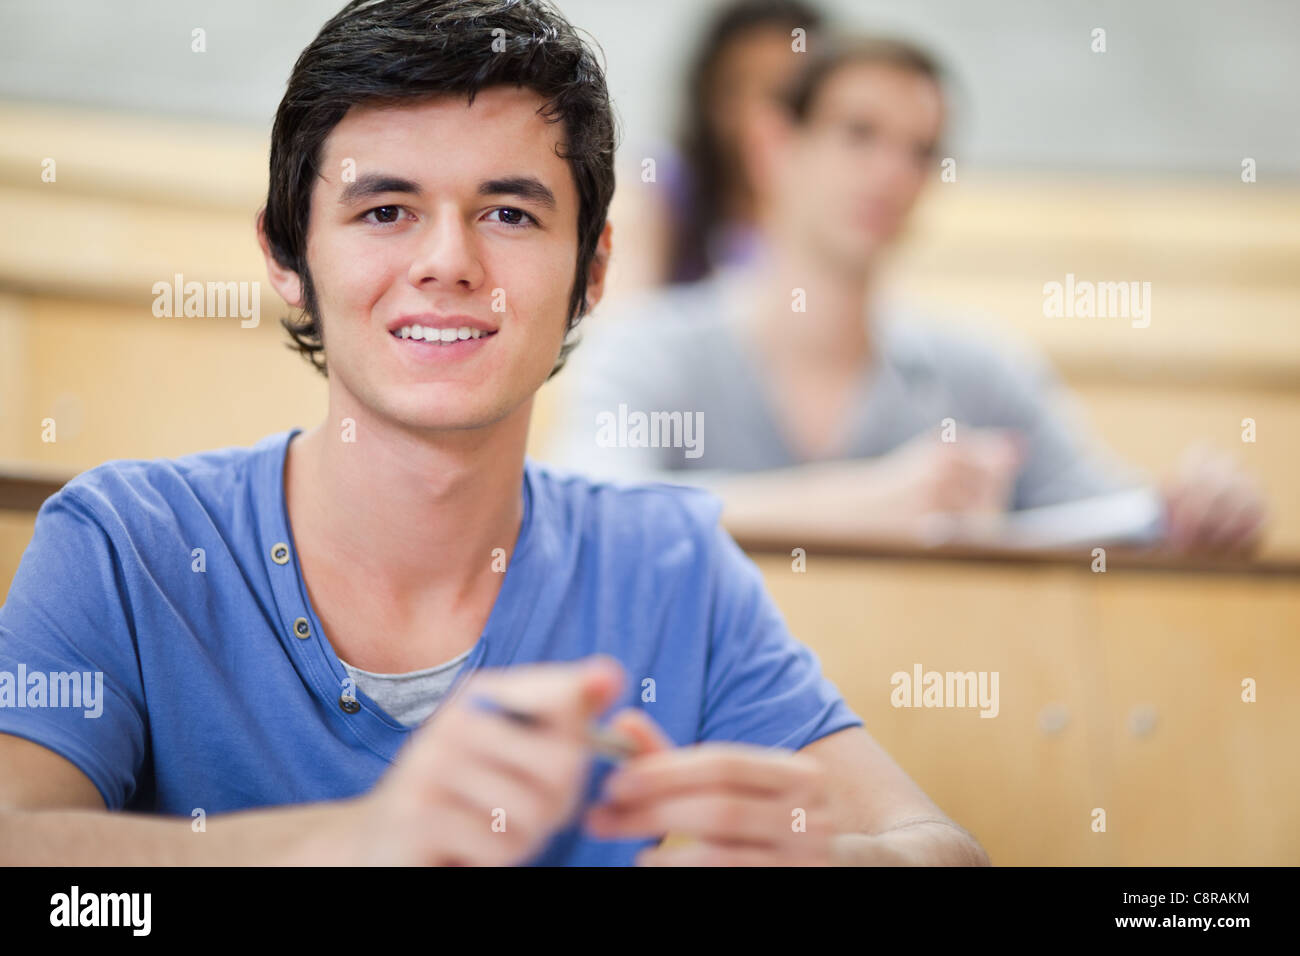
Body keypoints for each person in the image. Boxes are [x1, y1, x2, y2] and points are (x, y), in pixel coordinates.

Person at [0, 0, 988, 867]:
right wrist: (358, 841)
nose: (447, 261)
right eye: (384, 209)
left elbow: (939, 845)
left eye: (509, 213)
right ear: (286, 255)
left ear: (592, 270)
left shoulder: (672, 566)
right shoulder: (125, 545)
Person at [548, 35, 1267, 554]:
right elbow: (595, 508)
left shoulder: (980, 371)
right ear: (774, 146)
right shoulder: (654, 348)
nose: (892, 173)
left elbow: (1107, 515)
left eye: (921, 151)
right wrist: (870, 503)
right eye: (859, 134)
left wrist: (1186, 516)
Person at [606, 0, 825, 294]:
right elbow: (620, 311)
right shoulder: (662, 186)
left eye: (790, 96)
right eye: (737, 91)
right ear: (709, 98)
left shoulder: (854, 203)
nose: (761, 118)